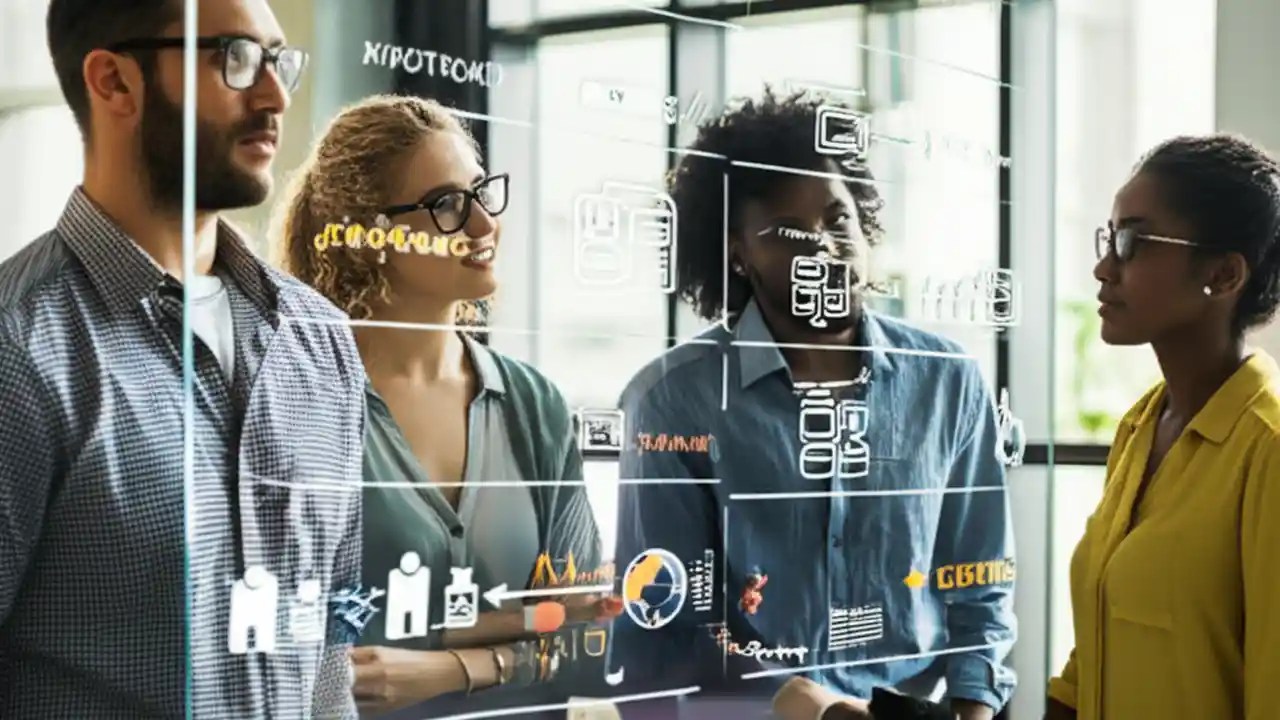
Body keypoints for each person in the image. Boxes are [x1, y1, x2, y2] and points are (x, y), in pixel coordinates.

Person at [0, 0, 365, 718]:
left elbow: (328, 653)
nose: (275, 96)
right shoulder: (18, 350)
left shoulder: (320, 338)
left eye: (278, 61)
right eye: (236, 59)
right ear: (115, 82)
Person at [611, 87, 1016, 720]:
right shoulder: (672, 400)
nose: (824, 247)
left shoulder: (947, 381)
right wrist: (803, 704)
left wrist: (971, 711)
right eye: (790, 232)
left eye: (837, 219)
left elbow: (979, 587)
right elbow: (662, 618)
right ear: (737, 252)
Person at [272, 94, 614, 718]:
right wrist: (516, 633)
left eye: (481, 193)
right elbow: (292, 650)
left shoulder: (534, 405)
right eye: (448, 205)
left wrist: (450, 669)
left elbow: (589, 636)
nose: (484, 225)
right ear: (368, 235)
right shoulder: (302, 403)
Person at [1045, 134, 1280, 720]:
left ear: (1223, 275)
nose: (1104, 268)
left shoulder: (1269, 449)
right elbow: (1096, 650)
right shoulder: (1141, 425)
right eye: (1109, 238)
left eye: (1132, 243)